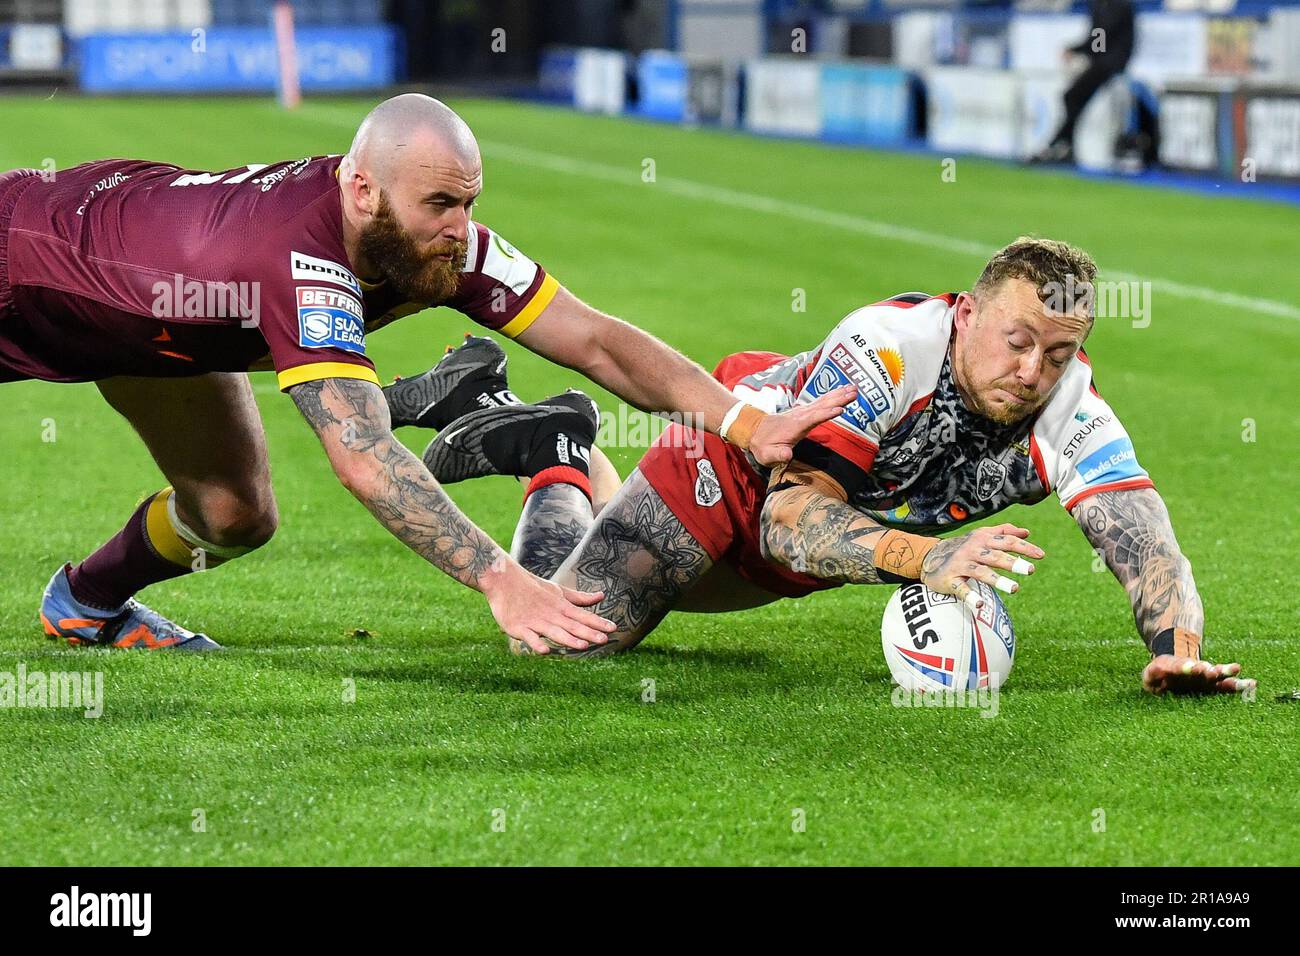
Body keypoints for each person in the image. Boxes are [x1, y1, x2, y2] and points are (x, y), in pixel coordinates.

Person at [0, 93, 852, 655]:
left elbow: (592, 339)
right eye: (441, 206)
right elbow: (364, 455)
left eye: (470, 202)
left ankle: (84, 602)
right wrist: (500, 579)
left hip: (152, 326)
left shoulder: (435, 243)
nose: (461, 228)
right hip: (22, 271)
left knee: (231, 514)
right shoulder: (301, 260)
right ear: (363, 191)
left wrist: (741, 420)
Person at [423, 237, 1253, 696]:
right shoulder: (889, 353)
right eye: (1018, 340)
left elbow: (1144, 543)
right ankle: (554, 453)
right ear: (965, 317)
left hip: (841, 536)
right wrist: (930, 559)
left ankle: (573, 450)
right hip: (742, 468)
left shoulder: (1073, 409)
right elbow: (786, 523)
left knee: (661, 597)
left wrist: (1176, 647)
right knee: (563, 641)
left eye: (1058, 352)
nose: (1033, 371)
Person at [1032, 0, 1136, 166]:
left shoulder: (1117, 5)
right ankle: (1064, 145)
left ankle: (1058, 143)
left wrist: (1079, 50)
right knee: (1072, 99)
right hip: (1102, 62)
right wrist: (1078, 50)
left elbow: (1102, 35)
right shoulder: (1100, 5)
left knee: (1072, 97)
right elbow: (1097, 40)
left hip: (1111, 63)